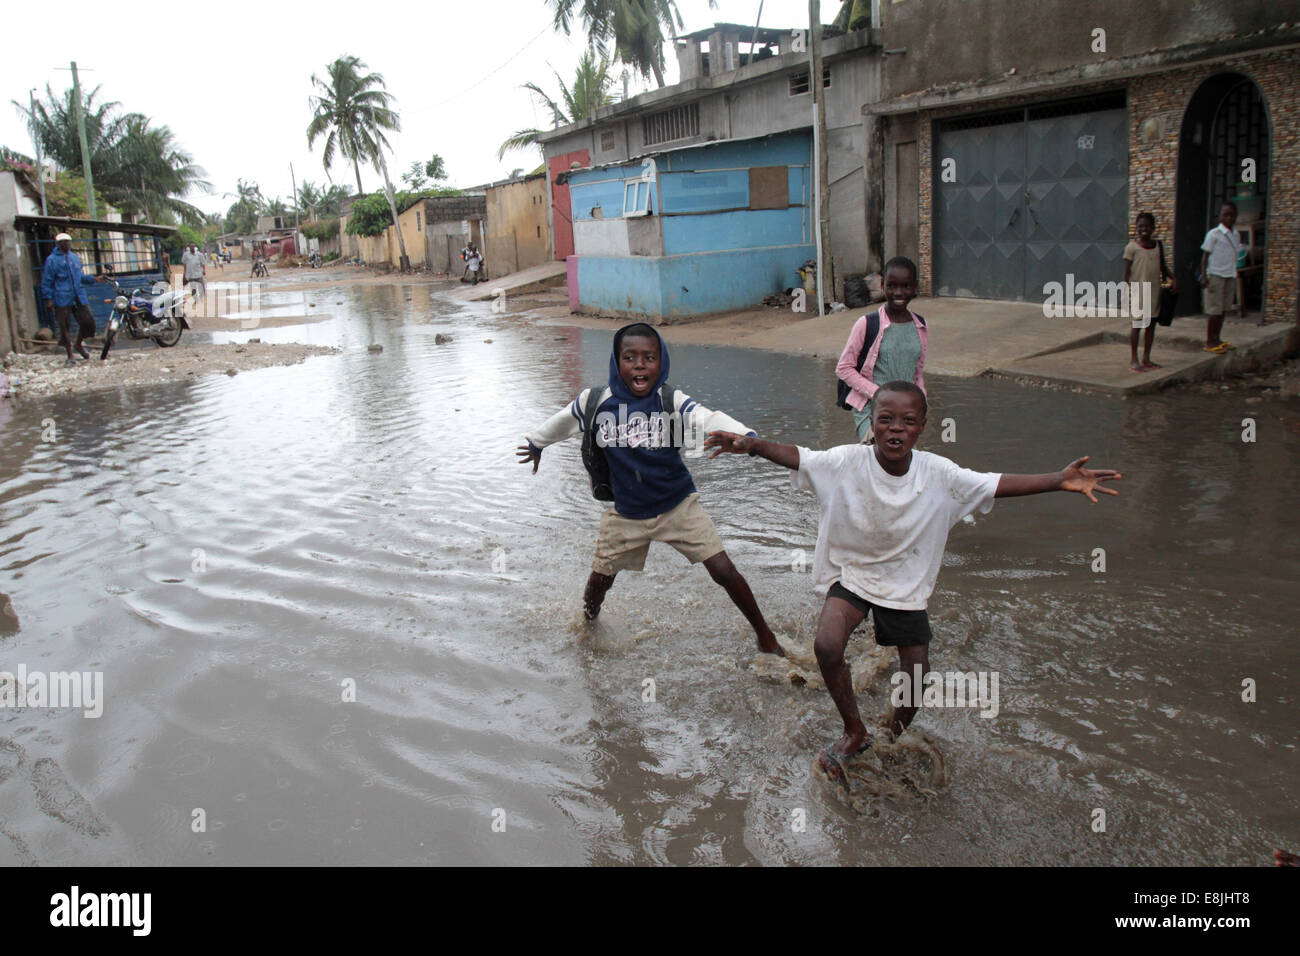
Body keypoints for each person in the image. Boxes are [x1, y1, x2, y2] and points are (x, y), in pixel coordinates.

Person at [704, 381, 1121, 783]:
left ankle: (891, 732)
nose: (896, 428)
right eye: (886, 419)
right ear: (872, 421)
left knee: (917, 678)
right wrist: (753, 446)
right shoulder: (847, 461)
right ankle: (855, 732)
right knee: (827, 645)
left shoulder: (941, 474)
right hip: (854, 573)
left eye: (907, 420)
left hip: (906, 585)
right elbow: (802, 457)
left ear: (922, 426)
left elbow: (994, 483)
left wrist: (1057, 479)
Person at [516, 322, 784, 656]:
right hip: (625, 512)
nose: (640, 365)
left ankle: (765, 636)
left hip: (677, 506)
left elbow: (705, 417)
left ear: (662, 362)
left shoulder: (669, 399)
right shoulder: (596, 401)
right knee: (600, 580)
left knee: (723, 569)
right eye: (630, 357)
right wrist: (537, 443)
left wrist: (746, 436)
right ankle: (587, 626)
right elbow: (563, 421)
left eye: (649, 357)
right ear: (617, 362)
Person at [836, 256, 928, 443]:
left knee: (904, 464)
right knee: (878, 457)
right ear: (882, 285)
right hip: (872, 409)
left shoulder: (920, 325)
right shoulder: (867, 323)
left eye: (906, 286)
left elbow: (917, 373)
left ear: (915, 287)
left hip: (905, 411)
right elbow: (844, 368)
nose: (898, 292)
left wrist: (921, 404)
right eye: (892, 286)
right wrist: (878, 395)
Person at [39, 233, 106, 365]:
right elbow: (47, 280)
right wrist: (48, 298)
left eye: (69, 242)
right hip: (62, 297)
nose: (67, 244)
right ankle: (70, 355)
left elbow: (79, 276)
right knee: (65, 326)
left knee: (88, 322)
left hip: (78, 295)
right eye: (64, 242)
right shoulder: (52, 260)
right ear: (58, 244)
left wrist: (94, 279)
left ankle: (78, 344)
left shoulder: (74, 258)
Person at [1122, 212, 1177, 372]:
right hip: (1139, 291)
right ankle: (1134, 359)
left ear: (1153, 227)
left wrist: (1174, 279)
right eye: (1140, 226)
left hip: (1155, 291)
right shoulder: (1131, 248)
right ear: (1136, 228)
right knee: (1137, 324)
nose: (1144, 229)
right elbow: (1126, 273)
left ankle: (1146, 358)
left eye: (1147, 226)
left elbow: (1163, 267)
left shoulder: (1158, 246)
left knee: (1151, 324)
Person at [1199, 202, 1242, 353]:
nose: (1229, 217)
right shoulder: (1214, 234)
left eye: (1232, 215)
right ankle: (1210, 341)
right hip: (1215, 275)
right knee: (1214, 310)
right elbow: (1205, 256)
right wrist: (1204, 275)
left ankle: (1217, 338)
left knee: (1224, 309)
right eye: (1226, 214)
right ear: (1220, 216)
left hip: (1230, 274)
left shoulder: (1236, 234)